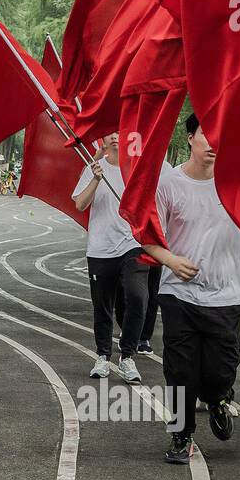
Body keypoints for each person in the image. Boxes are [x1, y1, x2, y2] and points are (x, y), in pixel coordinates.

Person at [142, 115, 240, 465]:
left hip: (226, 293)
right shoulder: (169, 184)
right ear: (190, 138)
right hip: (180, 293)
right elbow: (147, 237)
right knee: (179, 370)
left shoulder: (239, 182)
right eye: (207, 135)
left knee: (219, 371)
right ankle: (180, 434)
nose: (214, 143)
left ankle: (218, 398)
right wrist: (171, 261)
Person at [72, 133, 147, 384]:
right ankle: (103, 355)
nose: (116, 137)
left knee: (137, 296)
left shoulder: (135, 169)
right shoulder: (93, 168)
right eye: (110, 133)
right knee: (102, 306)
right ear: (102, 140)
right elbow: (81, 204)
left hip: (132, 245)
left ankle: (127, 356)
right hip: (100, 249)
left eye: (120, 132)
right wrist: (95, 178)